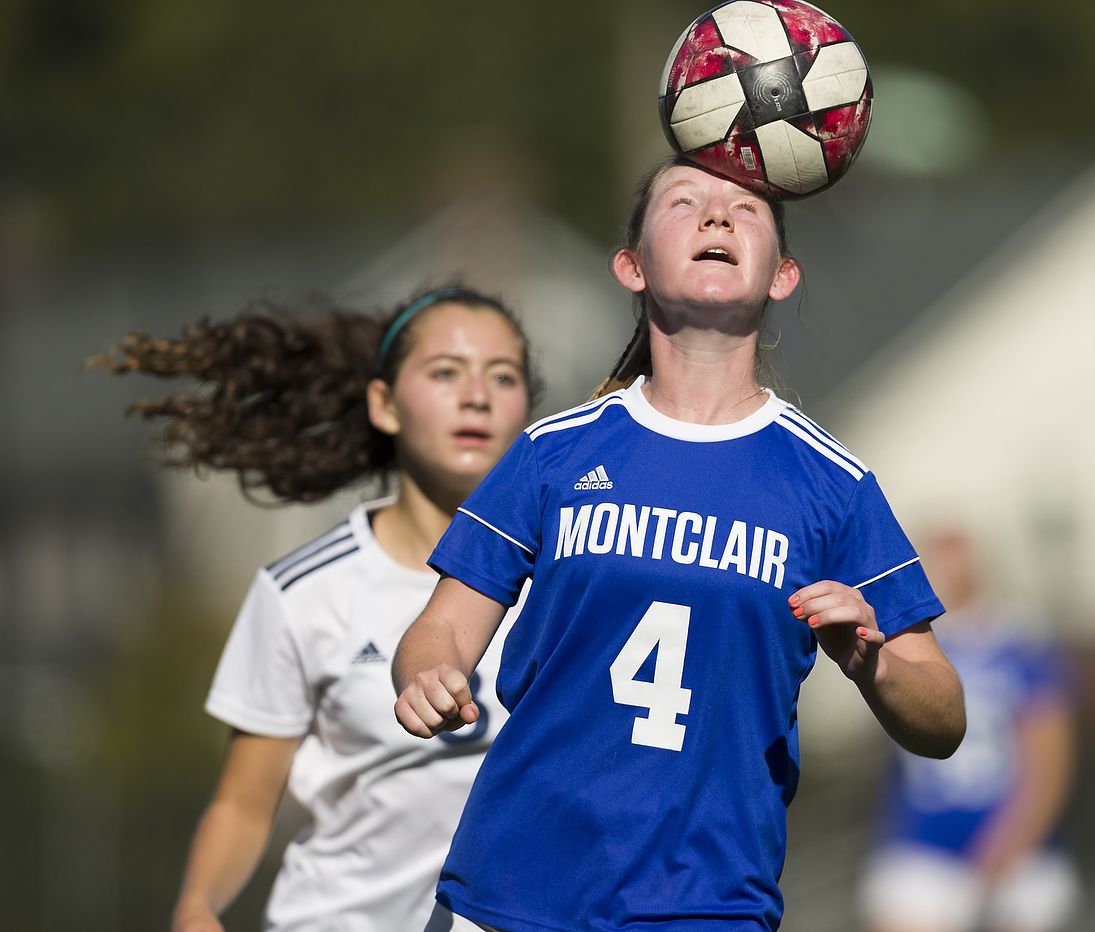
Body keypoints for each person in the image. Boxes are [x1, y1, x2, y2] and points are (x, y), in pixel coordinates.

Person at [391, 155, 969, 932]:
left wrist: (872, 662)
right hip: (511, 894)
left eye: (747, 209)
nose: (718, 217)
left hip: (707, 905)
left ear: (783, 276)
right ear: (630, 267)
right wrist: (429, 675)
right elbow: (443, 628)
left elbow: (944, 719)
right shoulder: (552, 453)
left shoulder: (834, 485)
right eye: (685, 202)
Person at [97, 286, 541, 932]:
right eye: (445, 372)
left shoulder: (571, 578)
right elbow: (245, 805)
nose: (477, 395)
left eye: (503, 376)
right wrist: (196, 907)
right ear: (384, 405)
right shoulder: (304, 591)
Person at [857, 529, 1079, 932]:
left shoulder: (1020, 641)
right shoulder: (900, 643)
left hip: (1015, 845)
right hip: (924, 843)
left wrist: (1009, 846)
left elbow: (1049, 759)